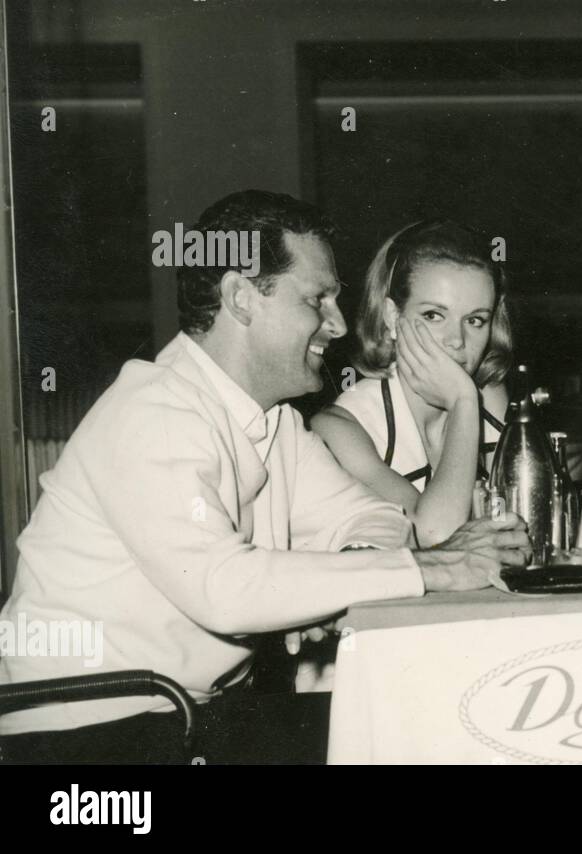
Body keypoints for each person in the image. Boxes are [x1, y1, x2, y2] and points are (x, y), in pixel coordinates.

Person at [0, 190, 529, 763]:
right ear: (241, 298)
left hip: (185, 718)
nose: (336, 323)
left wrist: (342, 579)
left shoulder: (273, 423)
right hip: (87, 737)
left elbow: (373, 517)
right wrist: (423, 568)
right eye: (316, 300)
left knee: (420, 724)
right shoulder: (153, 411)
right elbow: (224, 589)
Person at [311, 220, 510, 548]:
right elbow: (432, 535)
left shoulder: (489, 396)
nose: (457, 341)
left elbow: (512, 526)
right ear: (392, 316)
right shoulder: (341, 428)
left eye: (475, 320)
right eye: (434, 315)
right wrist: (462, 401)